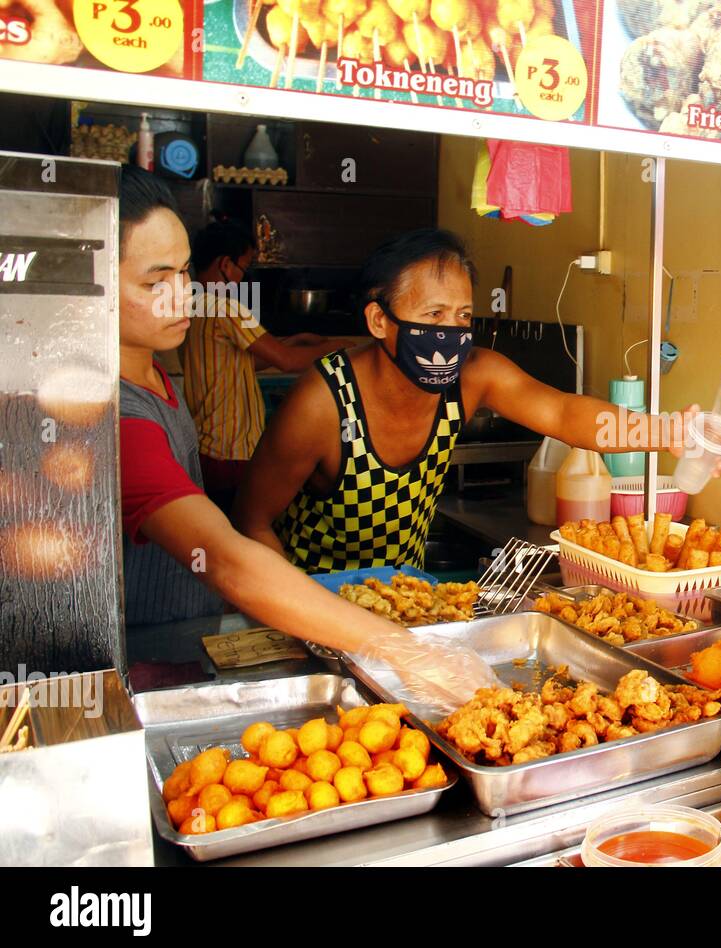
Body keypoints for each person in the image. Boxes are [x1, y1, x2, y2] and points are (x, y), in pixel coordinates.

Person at [117, 166, 491, 707]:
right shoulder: (117, 416)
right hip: (140, 659)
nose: (184, 297)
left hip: (185, 644)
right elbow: (225, 557)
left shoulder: (153, 376)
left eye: (184, 273)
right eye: (156, 283)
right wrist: (406, 651)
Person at [233, 228, 721, 573]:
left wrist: (666, 432)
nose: (450, 332)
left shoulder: (473, 376)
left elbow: (562, 412)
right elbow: (251, 522)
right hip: (311, 603)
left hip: (408, 603)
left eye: (463, 317)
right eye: (433, 313)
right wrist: (301, 609)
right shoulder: (322, 403)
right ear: (379, 320)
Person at [181, 218, 349, 514]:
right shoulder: (225, 306)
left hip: (205, 449)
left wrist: (294, 340)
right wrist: (340, 347)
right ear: (225, 264)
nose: (242, 278)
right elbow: (286, 362)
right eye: (243, 267)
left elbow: (240, 364)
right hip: (232, 453)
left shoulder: (193, 304)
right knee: (245, 528)